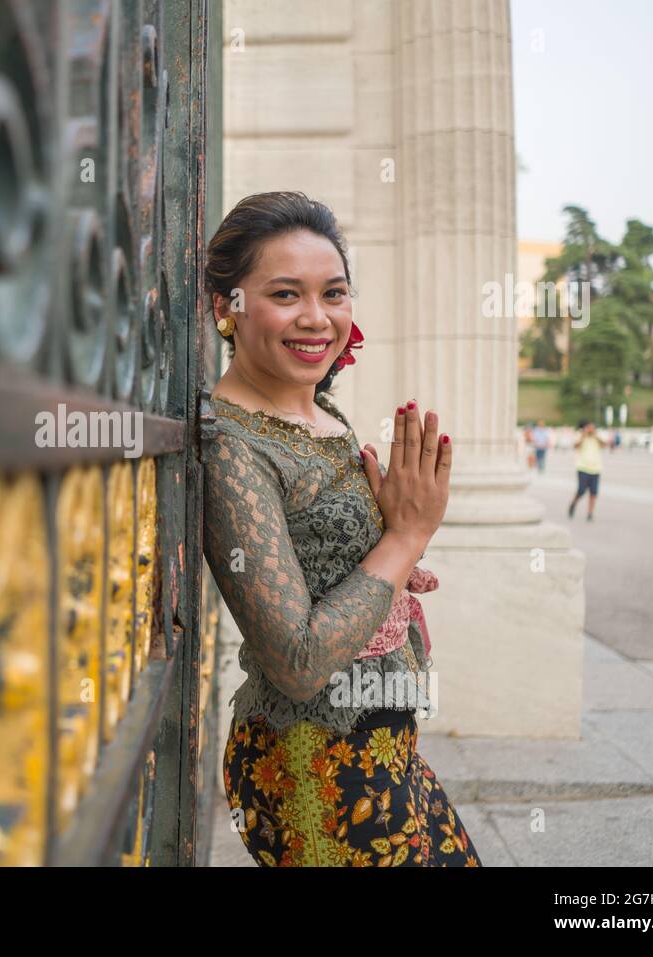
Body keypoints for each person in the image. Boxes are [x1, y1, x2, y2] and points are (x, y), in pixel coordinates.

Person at [201, 191, 479, 867]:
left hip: (382, 744)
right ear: (225, 310)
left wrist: (389, 532)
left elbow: (332, 562)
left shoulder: (321, 412)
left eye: (334, 293)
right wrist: (403, 538)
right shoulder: (232, 447)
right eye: (286, 294)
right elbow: (297, 661)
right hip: (315, 767)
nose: (316, 318)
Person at [568, 420, 606, 521]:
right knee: (581, 490)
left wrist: (595, 435)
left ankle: (590, 513)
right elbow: (576, 446)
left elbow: (604, 445)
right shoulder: (580, 436)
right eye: (589, 427)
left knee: (593, 493)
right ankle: (573, 503)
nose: (590, 429)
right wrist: (583, 435)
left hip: (596, 468)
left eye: (592, 427)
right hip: (582, 467)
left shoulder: (597, 437)